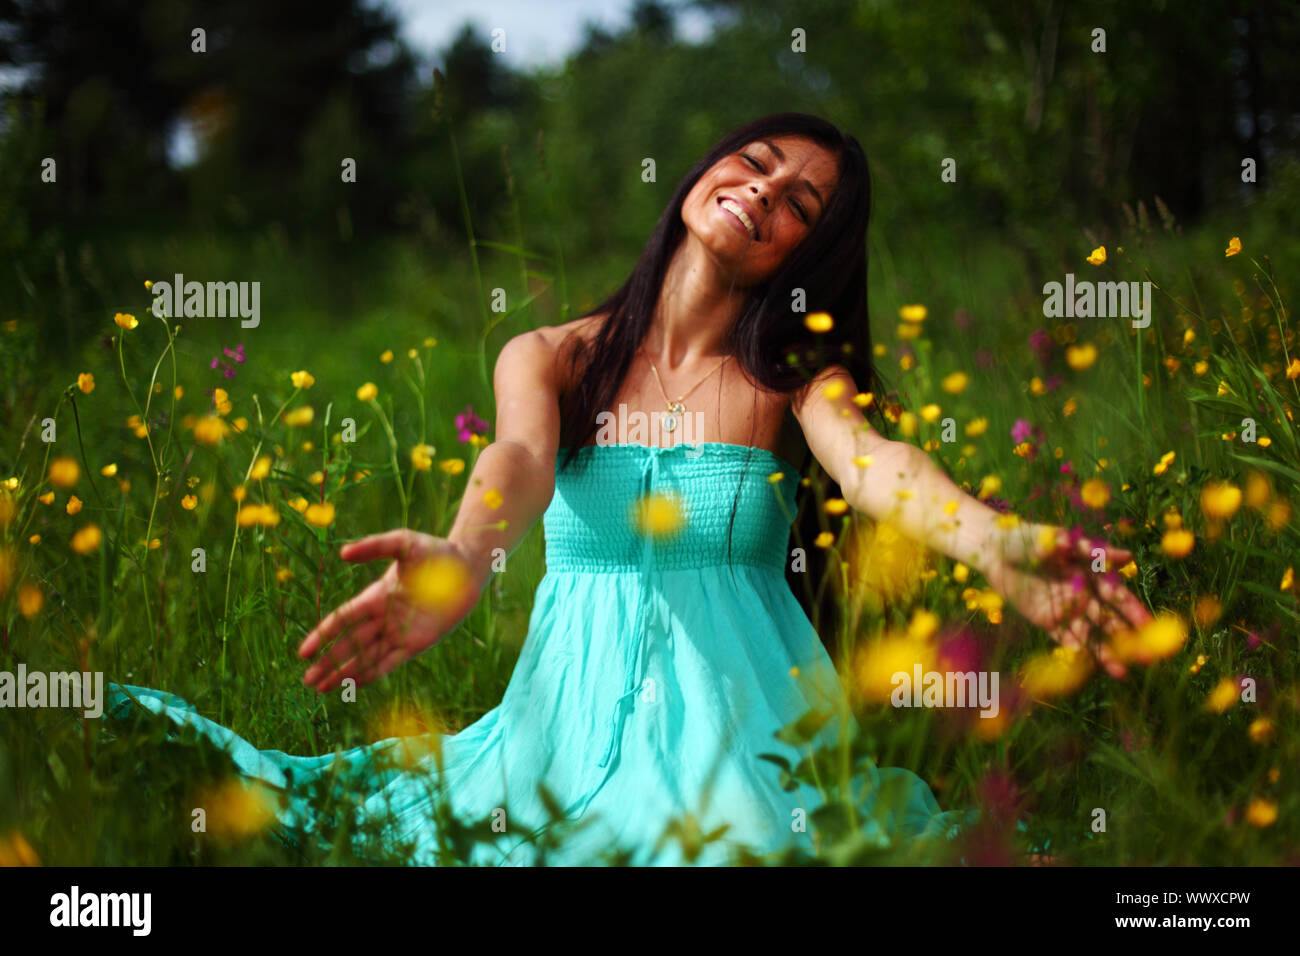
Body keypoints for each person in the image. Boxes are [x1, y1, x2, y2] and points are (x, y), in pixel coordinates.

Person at [108, 112, 1151, 865]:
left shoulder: (793, 381)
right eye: (753, 165)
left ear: (808, 251)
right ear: (700, 174)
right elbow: (512, 462)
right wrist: (465, 555)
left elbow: (877, 468)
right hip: (560, 719)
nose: (761, 193)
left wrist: (992, 540)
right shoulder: (553, 354)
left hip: (739, 729)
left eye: (798, 204)